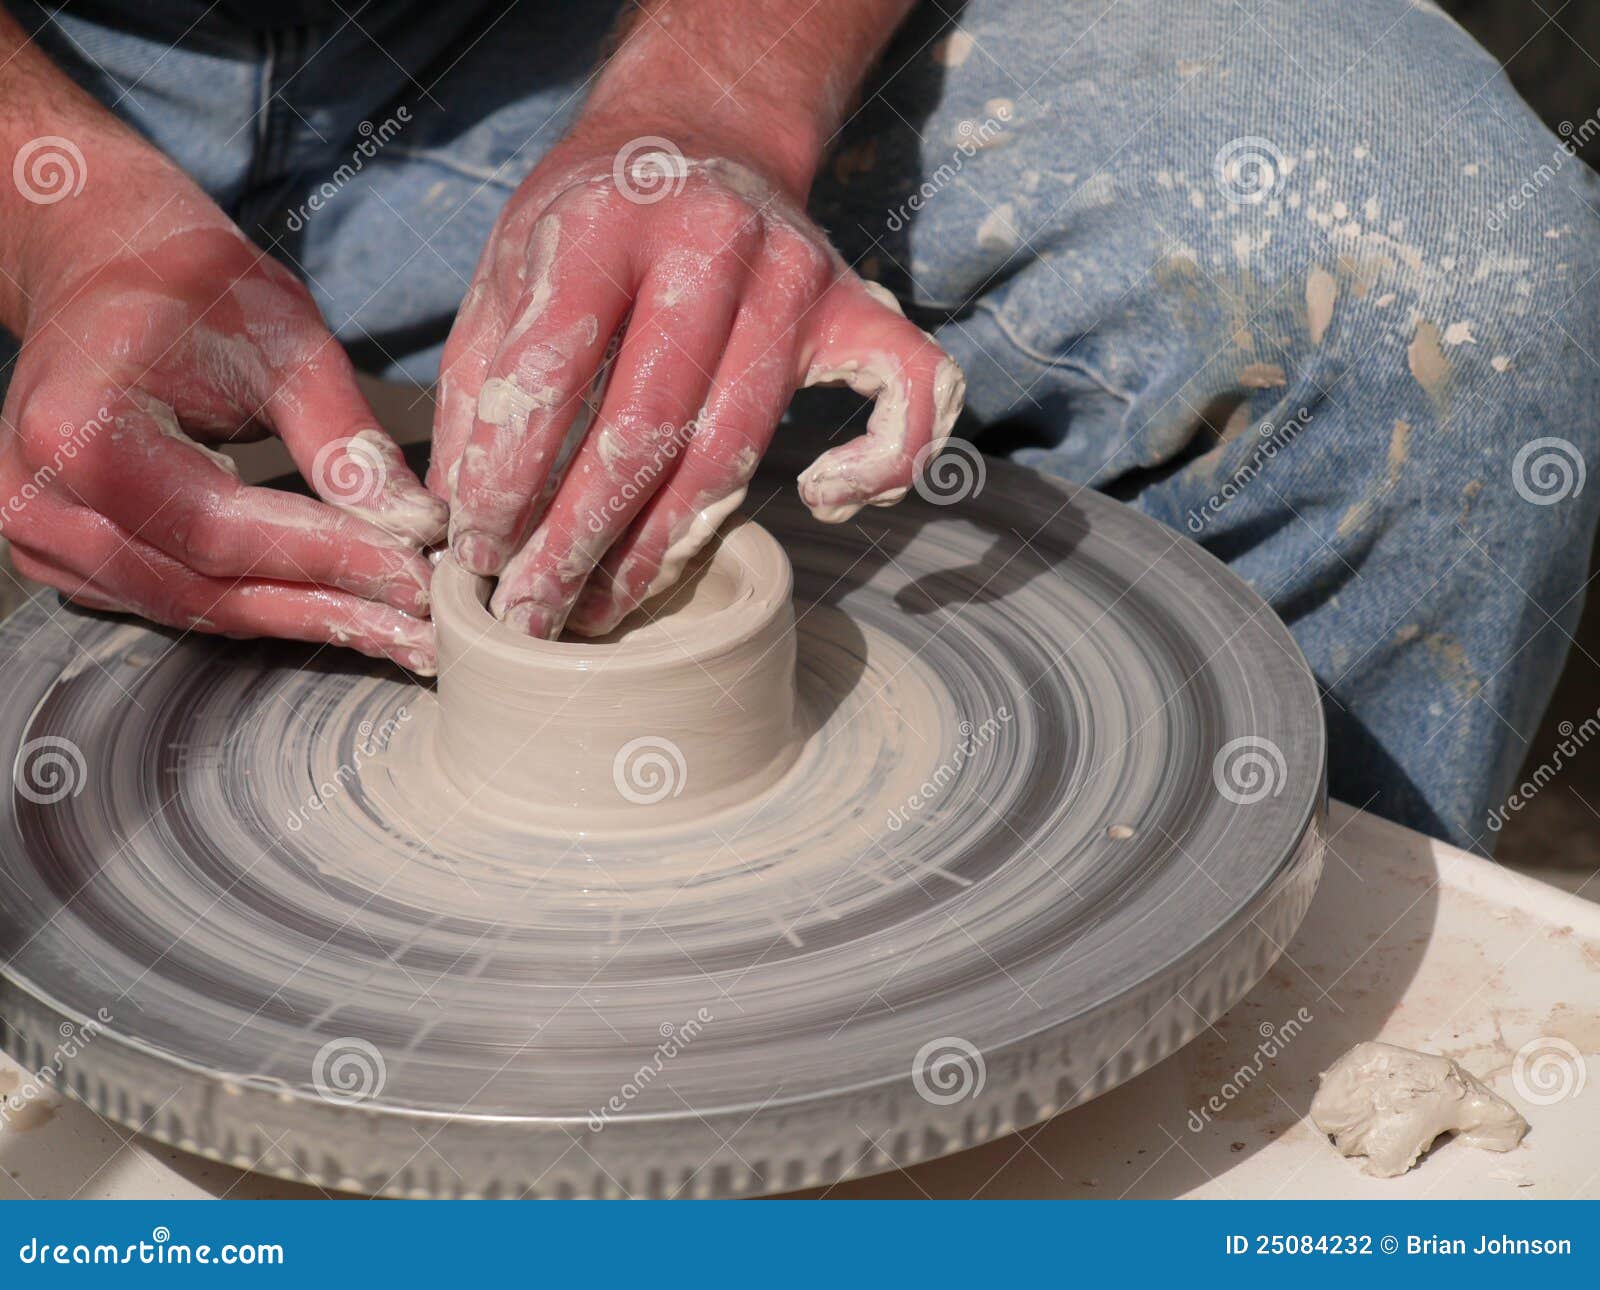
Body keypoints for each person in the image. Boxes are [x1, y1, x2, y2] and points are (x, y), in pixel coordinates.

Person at [0, 0, 1596, 853]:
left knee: (1455, 298)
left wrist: (725, 87)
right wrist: (61, 221)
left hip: (547, 30)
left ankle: (1207, 1116)